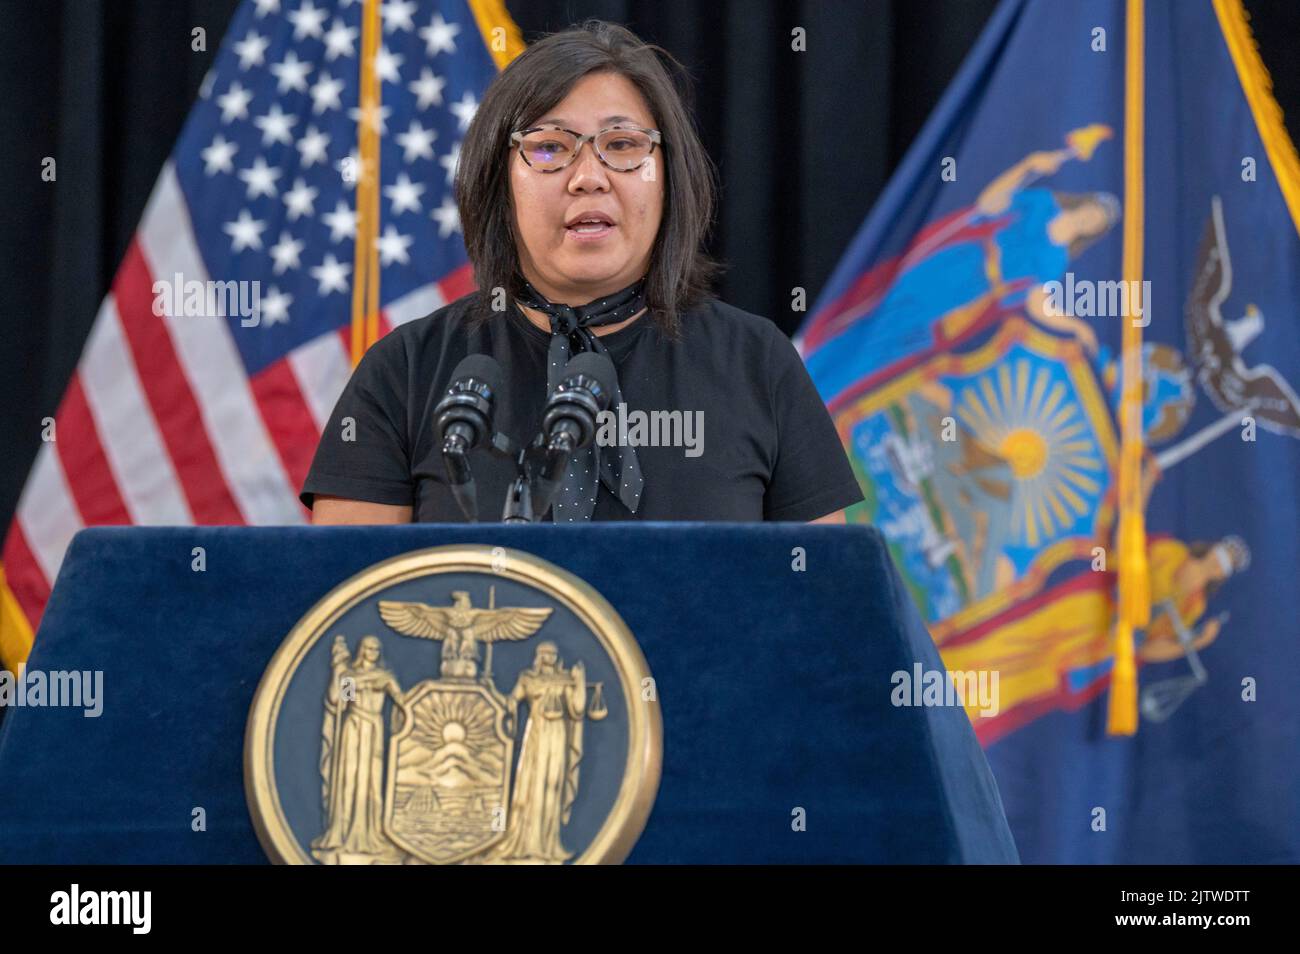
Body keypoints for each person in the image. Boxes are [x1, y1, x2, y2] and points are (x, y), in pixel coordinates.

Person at [303, 20, 862, 525]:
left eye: (622, 145)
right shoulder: (404, 371)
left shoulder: (757, 362)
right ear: (500, 185)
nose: (588, 177)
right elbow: (347, 619)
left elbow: (823, 613)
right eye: (549, 148)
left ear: (670, 177)